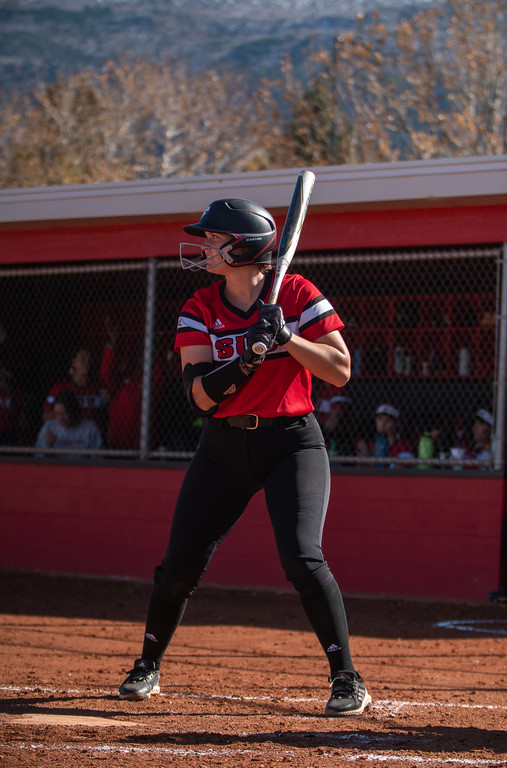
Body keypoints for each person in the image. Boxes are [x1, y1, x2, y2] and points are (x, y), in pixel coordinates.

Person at [118, 197, 371, 717]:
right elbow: (201, 397)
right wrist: (250, 357)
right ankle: (148, 665)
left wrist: (285, 337)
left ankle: (347, 677)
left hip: (292, 442)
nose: (205, 246)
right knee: (179, 566)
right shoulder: (199, 306)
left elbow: (340, 370)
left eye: (214, 240)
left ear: (245, 247)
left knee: (303, 558)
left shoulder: (298, 294)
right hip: (222, 446)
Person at [43, 348, 109, 437]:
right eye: (83, 358)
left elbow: (109, 408)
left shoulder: (100, 387)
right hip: (67, 437)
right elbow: (45, 416)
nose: (87, 362)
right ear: (74, 362)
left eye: (89, 359)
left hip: (92, 437)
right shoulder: (59, 387)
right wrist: (66, 414)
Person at [35, 389, 103, 458]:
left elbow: (98, 457)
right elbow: (38, 457)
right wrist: (47, 444)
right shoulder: (49, 426)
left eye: (64, 414)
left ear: (74, 412)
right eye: (56, 414)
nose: (60, 418)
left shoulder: (90, 427)